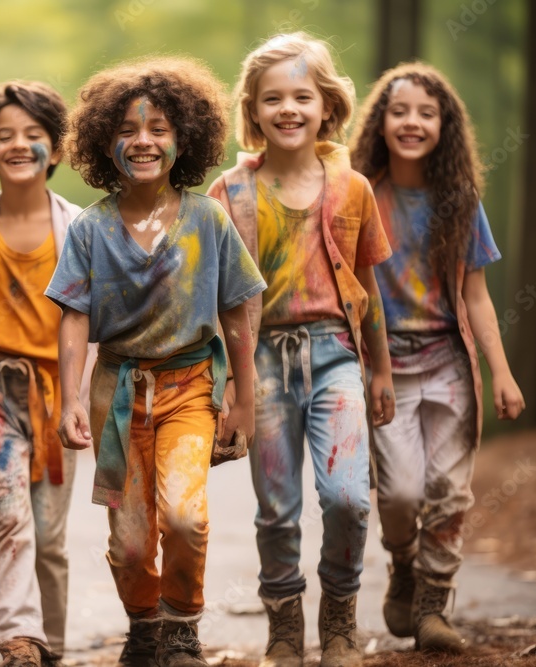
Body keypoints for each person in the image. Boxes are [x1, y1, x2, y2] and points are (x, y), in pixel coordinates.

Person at [47, 56, 265, 667]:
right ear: (103, 142)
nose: (143, 140)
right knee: (130, 540)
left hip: (192, 384)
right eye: (127, 129)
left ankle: (181, 627)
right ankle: (143, 624)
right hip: (115, 390)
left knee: (184, 516)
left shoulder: (209, 220)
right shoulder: (90, 230)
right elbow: (73, 316)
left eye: (159, 127)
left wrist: (242, 401)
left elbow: (238, 313)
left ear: (184, 138)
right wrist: (69, 399)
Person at [207, 33, 395, 667]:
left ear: (327, 107)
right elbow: (215, 301)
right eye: (273, 99)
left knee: (347, 496)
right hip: (259, 362)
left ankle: (338, 620)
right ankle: (284, 624)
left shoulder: (353, 190)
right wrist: (229, 384)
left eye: (302, 97)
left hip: (335, 353)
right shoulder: (229, 193)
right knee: (277, 506)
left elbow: (368, 287)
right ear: (254, 110)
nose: (288, 109)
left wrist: (382, 373)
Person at [349, 62, 525, 654]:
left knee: (449, 491)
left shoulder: (459, 199)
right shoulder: (360, 194)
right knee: (398, 494)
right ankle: (402, 561)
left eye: (427, 113)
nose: (412, 122)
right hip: (384, 367)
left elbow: (476, 295)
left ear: (445, 126)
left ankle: (432, 605)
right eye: (399, 111)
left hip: (449, 361)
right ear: (381, 122)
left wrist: (501, 373)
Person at [0, 80, 94, 667]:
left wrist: (81, 399)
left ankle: (52, 646)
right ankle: (19, 640)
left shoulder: (82, 230)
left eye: (33, 135)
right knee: (9, 516)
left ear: (57, 150)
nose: (18, 145)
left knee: (50, 536)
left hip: (60, 396)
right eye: (4, 136)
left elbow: (96, 324)